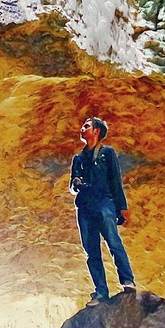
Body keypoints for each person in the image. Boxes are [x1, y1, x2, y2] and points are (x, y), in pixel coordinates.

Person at [69, 117, 136, 307]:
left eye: (86, 126)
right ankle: (101, 291)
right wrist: (75, 184)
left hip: (105, 203)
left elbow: (116, 181)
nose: (82, 128)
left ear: (97, 131)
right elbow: (72, 187)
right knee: (91, 251)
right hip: (84, 207)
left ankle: (127, 281)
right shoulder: (78, 158)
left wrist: (122, 208)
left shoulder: (107, 153)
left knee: (114, 243)